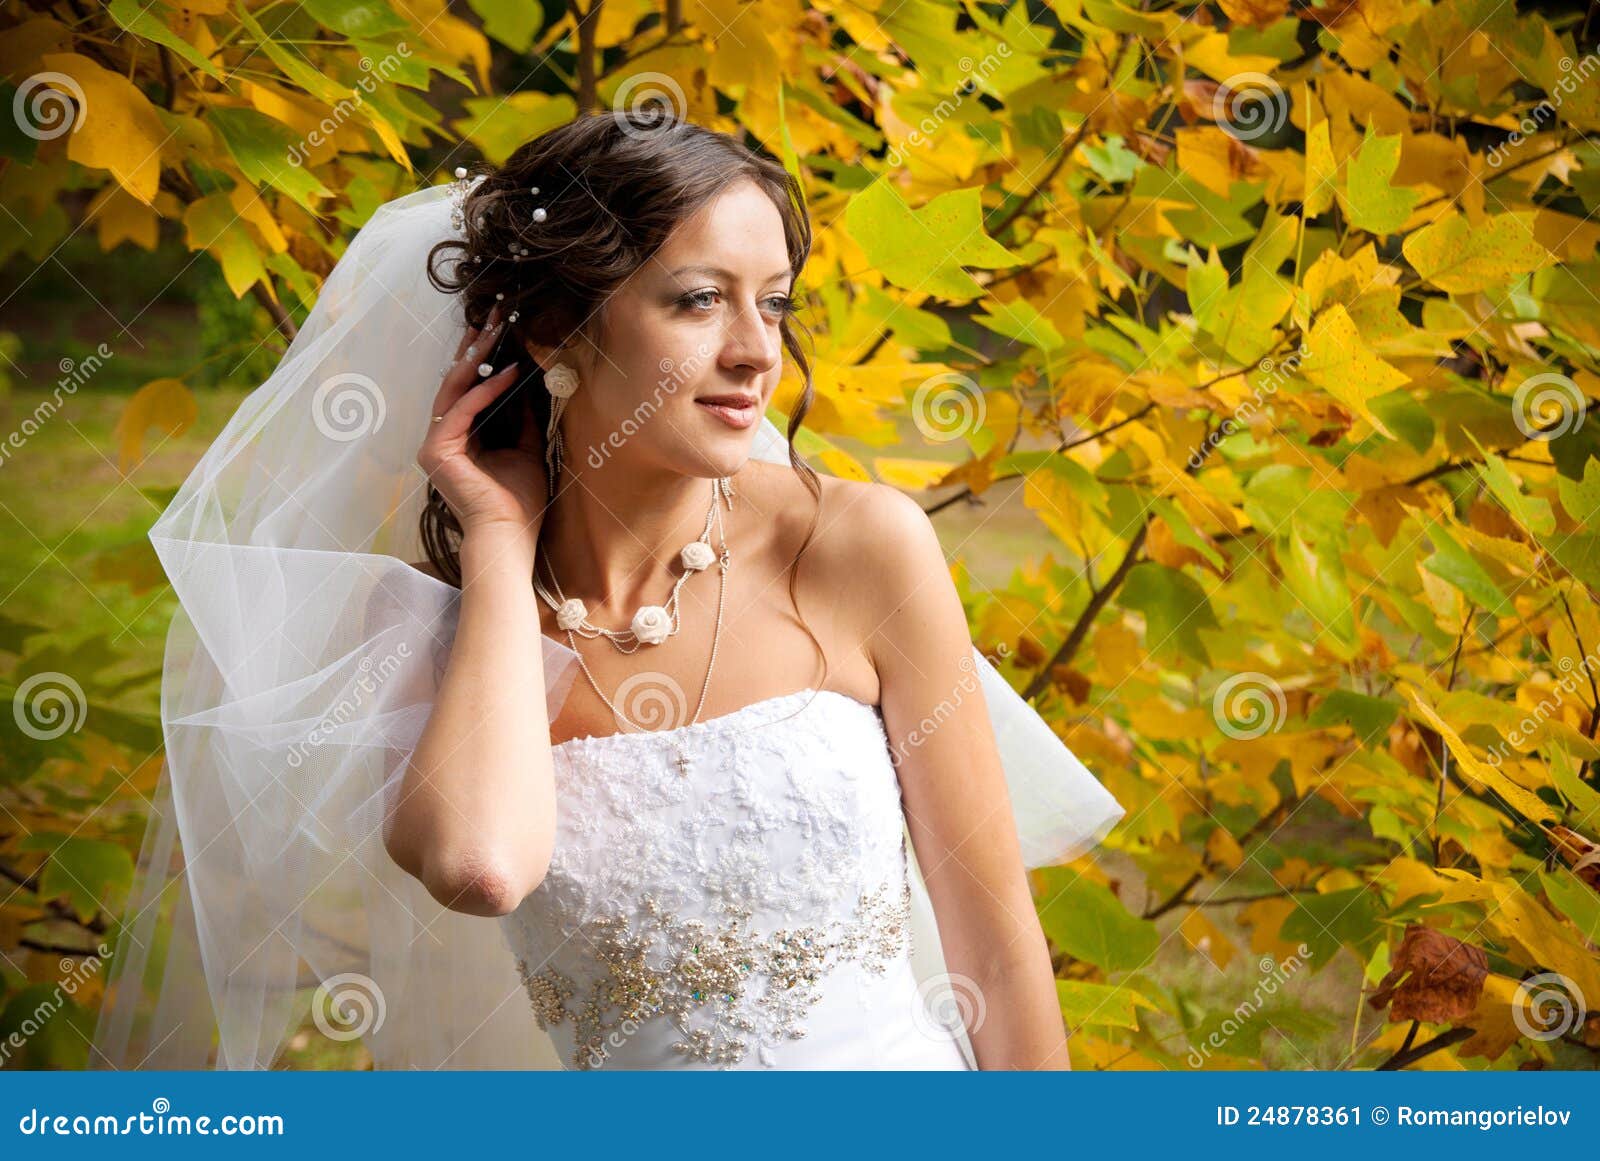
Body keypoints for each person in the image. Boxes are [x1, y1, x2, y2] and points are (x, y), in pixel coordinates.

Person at [90, 110, 1123, 1072]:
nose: (756, 351)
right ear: (549, 329)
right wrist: (499, 543)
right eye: (697, 300)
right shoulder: (430, 631)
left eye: (772, 303)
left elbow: (993, 948)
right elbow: (479, 866)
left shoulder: (854, 547)